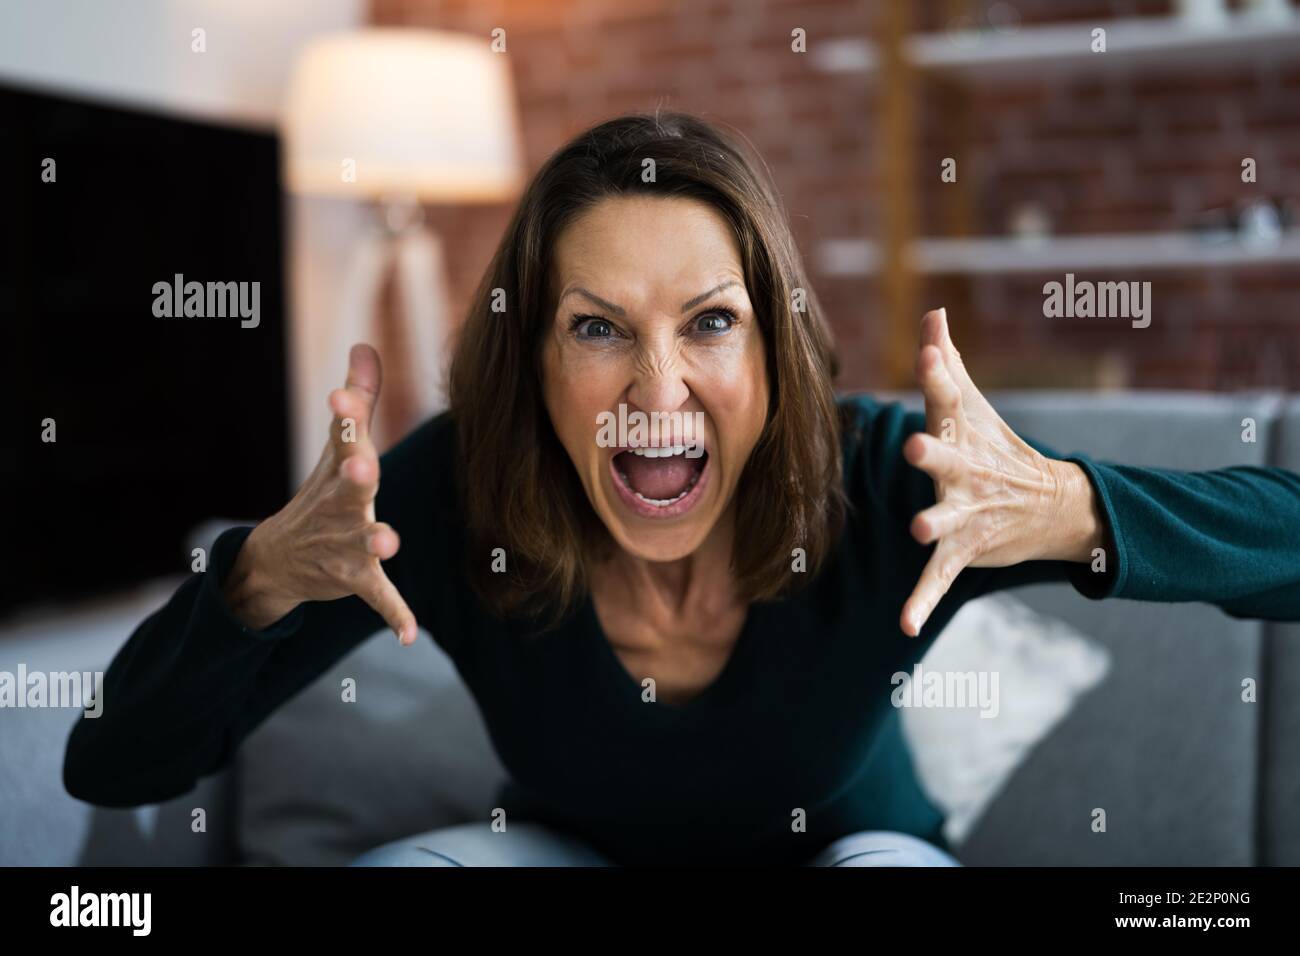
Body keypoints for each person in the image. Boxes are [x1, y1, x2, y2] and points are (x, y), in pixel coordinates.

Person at [64, 112, 1300, 866]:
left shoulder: (888, 477)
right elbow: (113, 762)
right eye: (597, 328)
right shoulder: (451, 495)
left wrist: (1078, 509)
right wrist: (258, 577)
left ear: (776, 348)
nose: (657, 386)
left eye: (711, 320)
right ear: (531, 365)